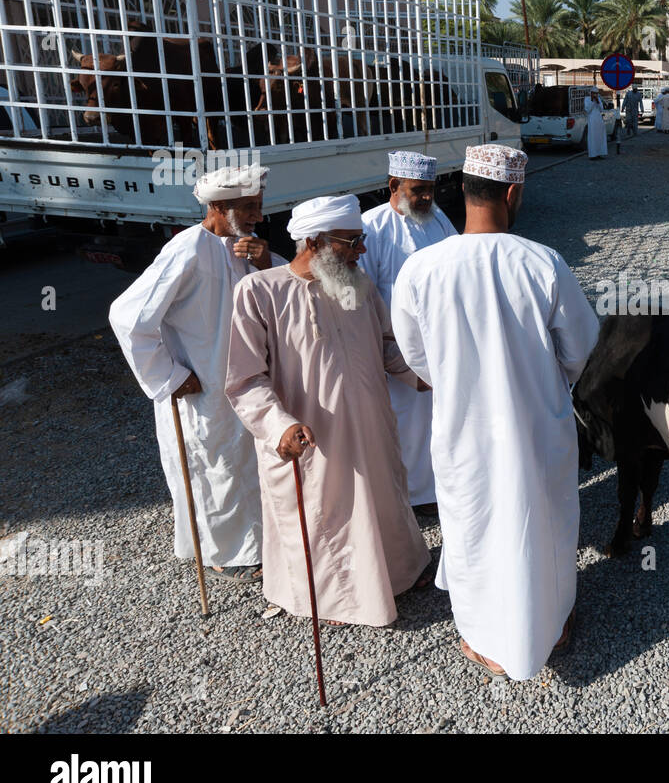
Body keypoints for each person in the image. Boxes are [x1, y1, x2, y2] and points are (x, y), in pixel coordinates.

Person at [391, 145, 599, 680]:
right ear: (512, 193)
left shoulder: (421, 269)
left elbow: (417, 357)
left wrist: (461, 385)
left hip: (463, 433)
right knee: (542, 527)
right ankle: (549, 629)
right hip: (537, 431)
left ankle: (484, 640)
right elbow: (580, 348)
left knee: (474, 527)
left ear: (462, 193)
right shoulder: (542, 262)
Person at [225, 194, 434, 627]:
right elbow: (245, 378)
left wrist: (427, 375)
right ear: (314, 241)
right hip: (312, 437)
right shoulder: (260, 291)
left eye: (361, 241)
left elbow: (388, 347)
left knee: (383, 499)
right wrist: (278, 425)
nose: (361, 252)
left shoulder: (358, 285)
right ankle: (335, 598)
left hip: (371, 426)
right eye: (350, 242)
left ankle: (397, 573)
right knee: (328, 513)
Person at [108, 164, 281, 584]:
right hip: (201, 384)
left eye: (259, 205)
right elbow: (128, 316)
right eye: (249, 207)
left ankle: (254, 543)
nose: (259, 214)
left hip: (244, 378)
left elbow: (284, 288)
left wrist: (268, 260)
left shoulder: (244, 244)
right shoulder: (186, 249)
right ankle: (224, 553)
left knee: (243, 462)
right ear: (219, 206)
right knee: (213, 465)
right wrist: (169, 376)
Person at [357, 152, 455, 519]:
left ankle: (434, 490)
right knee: (404, 427)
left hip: (440, 345)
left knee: (439, 422)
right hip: (394, 353)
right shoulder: (371, 228)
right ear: (393, 186)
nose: (427, 198)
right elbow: (359, 296)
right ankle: (408, 498)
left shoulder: (438, 219)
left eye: (431, 189)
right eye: (418, 190)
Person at [584, 90, 607, 160]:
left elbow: (601, 109)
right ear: (590, 93)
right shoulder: (587, 99)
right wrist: (592, 101)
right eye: (594, 93)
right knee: (592, 137)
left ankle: (600, 153)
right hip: (592, 120)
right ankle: (593, 155)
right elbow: (588, 110)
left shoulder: (598, 99)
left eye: (596, 93)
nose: (595, 95)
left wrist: (597, 101)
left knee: (600, 137)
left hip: (599, 120)